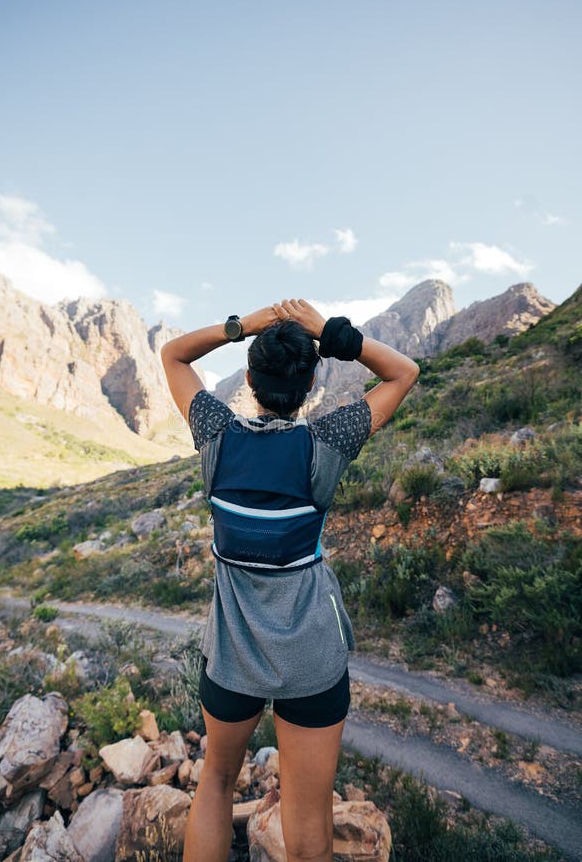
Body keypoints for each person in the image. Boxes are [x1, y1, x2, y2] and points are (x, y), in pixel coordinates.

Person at [160, 298, 419, 862]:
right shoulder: (325, 444)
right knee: (308, 811)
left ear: (250, 379)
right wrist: (329, 331)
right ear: (310, 384)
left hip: (230, 655)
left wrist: (242, 325)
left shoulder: (216, 437)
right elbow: (405, 372)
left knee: (216, 784)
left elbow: (173, 356)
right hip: (311, 659)